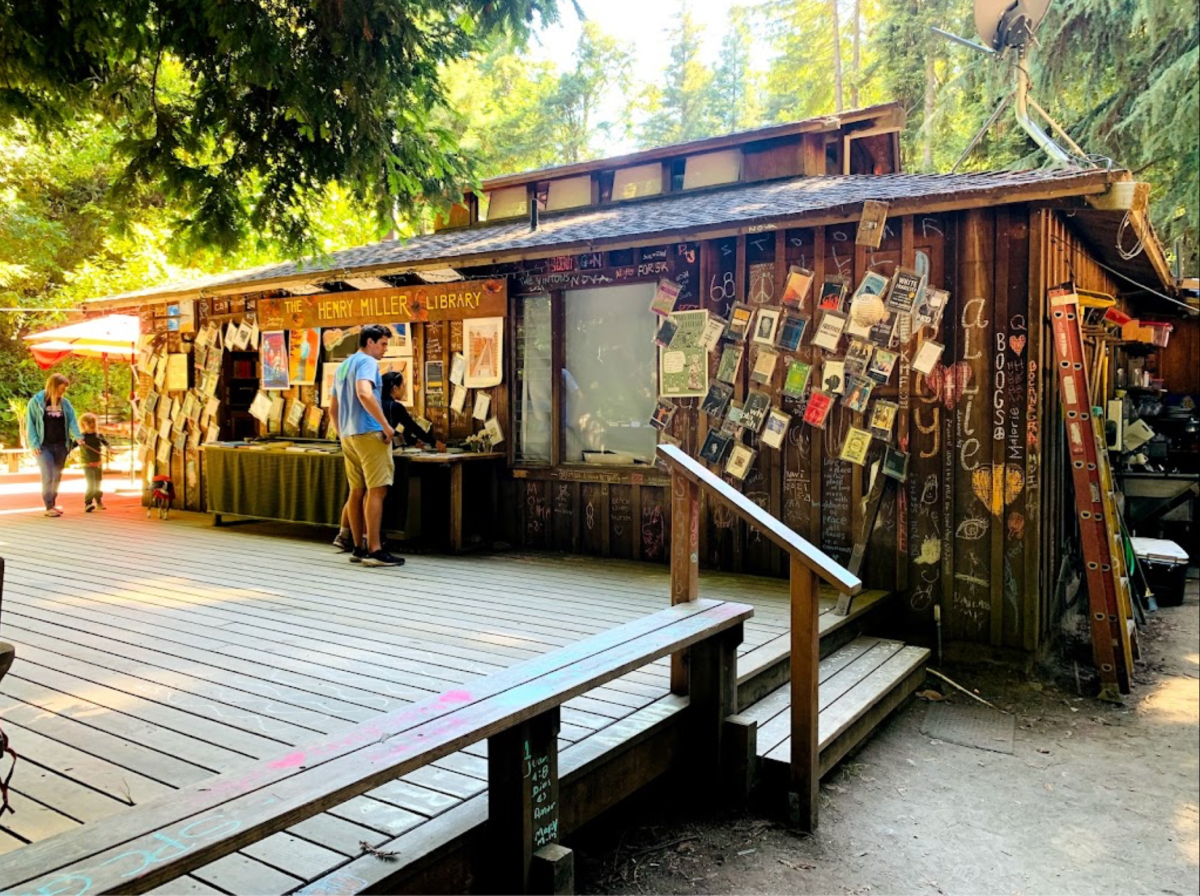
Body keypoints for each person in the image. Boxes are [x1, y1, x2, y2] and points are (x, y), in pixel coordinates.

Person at [332, 368, 444, 553]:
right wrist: (434, 442)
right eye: (403, 386)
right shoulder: (394, 406)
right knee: (373, 492)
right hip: (375, 448)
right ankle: (370, 543)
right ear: (394, 387)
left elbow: (399, 429)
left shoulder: (371, 403)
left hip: (353, 443)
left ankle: (344, 535)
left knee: (356, 492)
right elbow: (411, 426)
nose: (405, 389)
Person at [328, 324, 405, 568]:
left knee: (356, 490)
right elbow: (364, 393)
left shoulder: (343, 366)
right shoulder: (368, 363)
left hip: (349, 435)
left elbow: (332, 408)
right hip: (369, 432)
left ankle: (358, 547)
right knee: (377, 490)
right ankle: (375, 549)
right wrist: (386, 426)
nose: (385, 349)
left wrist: (342, 433)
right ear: (370, 342)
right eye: (383, 344)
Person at [26, 373, 81, 517]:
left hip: (61, 445)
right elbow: (30, 424)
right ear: (53, 386)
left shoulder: (65, 404)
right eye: (61, 389)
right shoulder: (36, 402)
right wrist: (33, 444)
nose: (63, 392)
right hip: (44, 446)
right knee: (48, 474)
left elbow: (72, 421)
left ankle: (53, 503)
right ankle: (48, 506)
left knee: (57, 476)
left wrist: (78, 437)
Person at [77, 412, 111, 512]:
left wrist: (110, 449)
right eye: (88, 423)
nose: (91, 425)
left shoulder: (98, 435)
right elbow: (71, 445)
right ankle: (88, 503)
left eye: (93, 422)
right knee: (91, 484)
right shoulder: (81, 437)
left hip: (98, 463)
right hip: (87, 464)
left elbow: (106, 443)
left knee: (98, 483)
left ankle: (99, 501)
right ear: (83, 424)